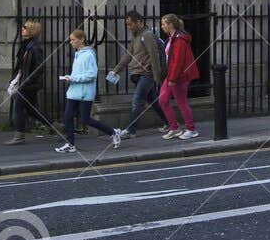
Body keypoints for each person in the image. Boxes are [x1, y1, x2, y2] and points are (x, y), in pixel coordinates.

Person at [57, 28, 118, 153]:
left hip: (85, 93)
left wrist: (73, 78)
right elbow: (80, 73)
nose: (71, 42)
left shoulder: (89, 55)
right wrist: (70, 77)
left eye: (73, 40)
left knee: (85, 120)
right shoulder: (78, 54)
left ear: (82, 40)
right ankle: (70, 144)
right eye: (71, 40)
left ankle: (113, 132)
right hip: (74, 92)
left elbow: (91, 75)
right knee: (67, 117)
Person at [107, 10, 164, 140]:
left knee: (137, 101)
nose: (129, 27)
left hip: (147, 74)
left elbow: (154, 56)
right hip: (138, 74)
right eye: (127, 24)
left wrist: (157, 78)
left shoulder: (147, 35)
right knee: (153, 100)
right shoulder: (136, 36)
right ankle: (169, 123)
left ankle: (131, 130)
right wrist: (116, 70)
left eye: (130, 24)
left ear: (138, 22)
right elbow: (128, 55)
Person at [156, 13, 200, 140]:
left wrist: (173, 79)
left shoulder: (179, 39)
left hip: (179, 76)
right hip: (171, 75)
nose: (162, 26)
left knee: (181, 102)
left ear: (170, 25)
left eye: (164, 24)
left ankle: (191, 129)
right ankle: (174, 128)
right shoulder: (172, 38)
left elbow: (178, 61)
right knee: (163, 100)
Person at [6, 19, 48, 145]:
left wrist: (27, 81)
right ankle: (56, 126)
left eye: (24, 27)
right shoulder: (26, 45)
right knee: (32, 110)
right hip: (24, 82)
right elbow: (21, 66)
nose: (22, 29)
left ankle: (19, 136)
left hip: (29, 85)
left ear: (30, 31)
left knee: (18, 109)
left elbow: (39, 68)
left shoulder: (35, 48)